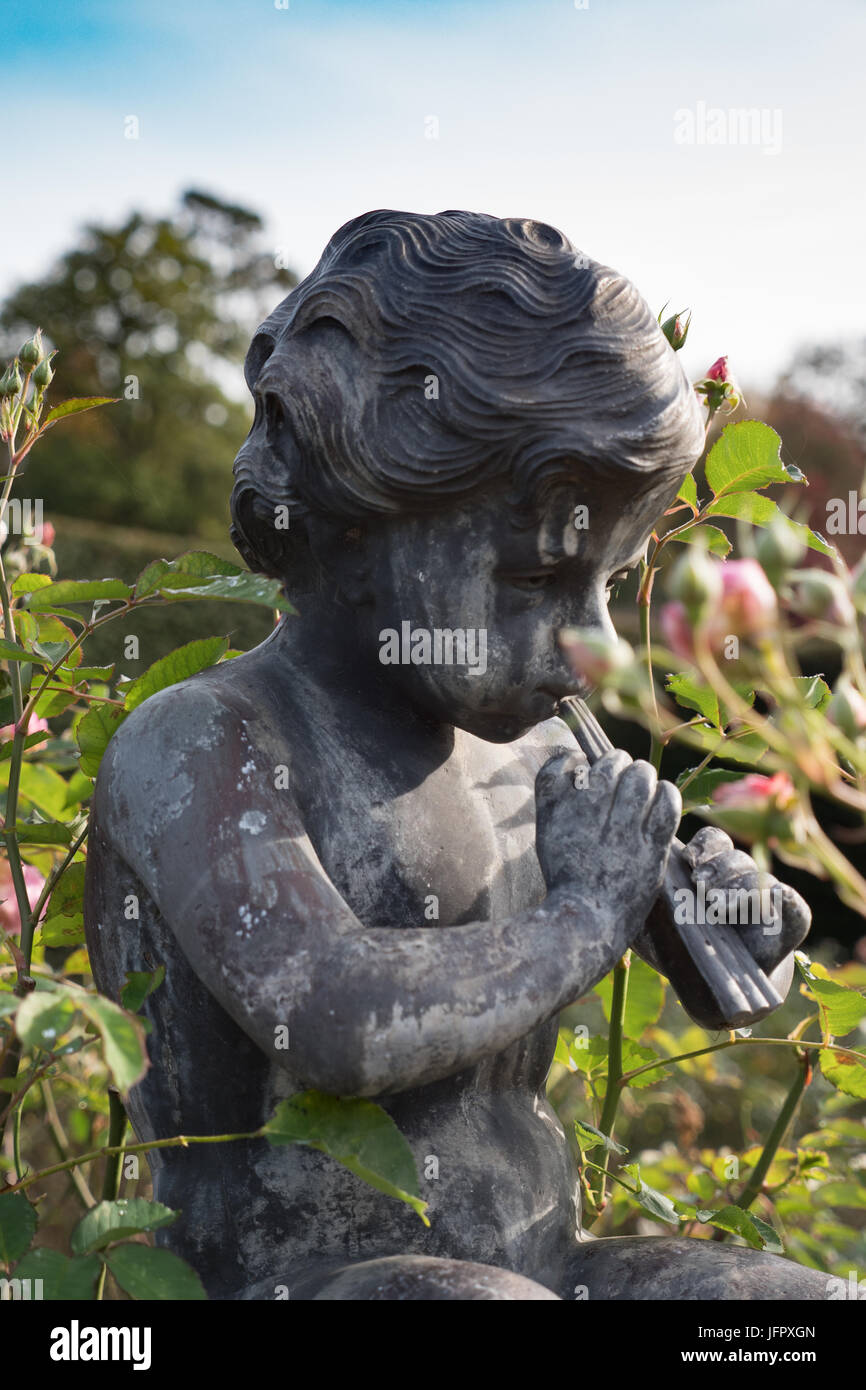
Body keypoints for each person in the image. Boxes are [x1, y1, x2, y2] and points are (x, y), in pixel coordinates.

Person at [85, 210, 821, 1300]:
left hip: (540, 1265)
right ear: (355, 523)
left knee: (793, 1308)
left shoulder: (527, 746)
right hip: (292, 1284)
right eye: (534, 583)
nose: (590, 653)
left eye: (607, 588)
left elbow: (681, 958)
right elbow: (325, 1016)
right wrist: (581, 918)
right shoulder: (206, 741)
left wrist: (717, 934)